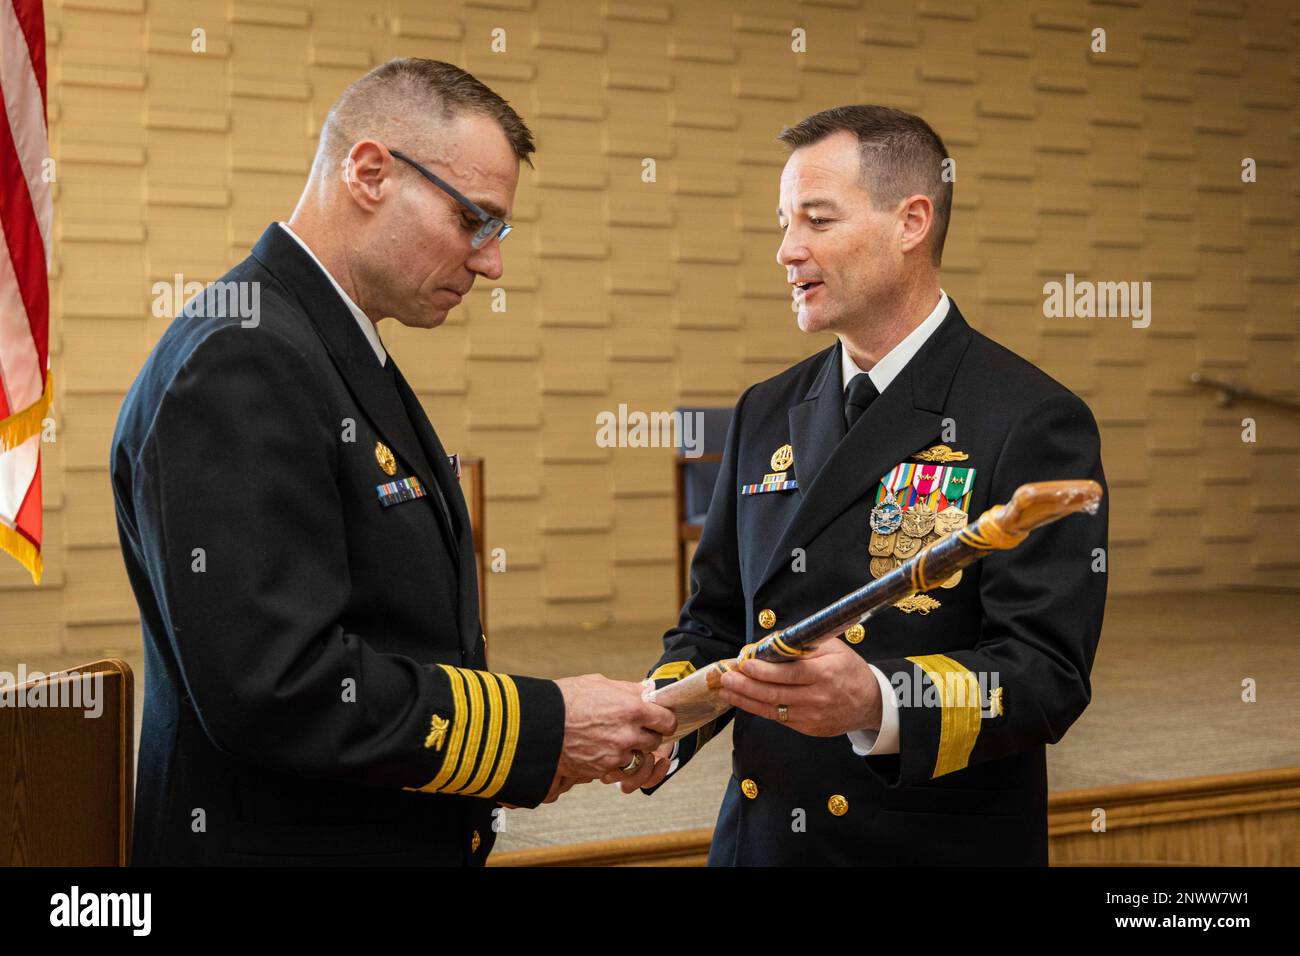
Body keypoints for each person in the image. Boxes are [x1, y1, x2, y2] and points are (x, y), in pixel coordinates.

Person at [110, 58, 674, 866]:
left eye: (498, 232)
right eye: (473, 220)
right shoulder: (241, 359)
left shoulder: (324, 344)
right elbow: (277, 688)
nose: (491, 263)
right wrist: (542, 727)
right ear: (371, 172)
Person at [616, 105, 1108, 866]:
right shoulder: (765, 410)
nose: (786, 250)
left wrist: (880, 700)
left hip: (922, 842)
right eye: (783, 223)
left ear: (911, 221)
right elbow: (714, 622)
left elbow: (1044, 675)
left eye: (816, 220)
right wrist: (666, 718)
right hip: (765, 840)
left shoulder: (1030, 418)